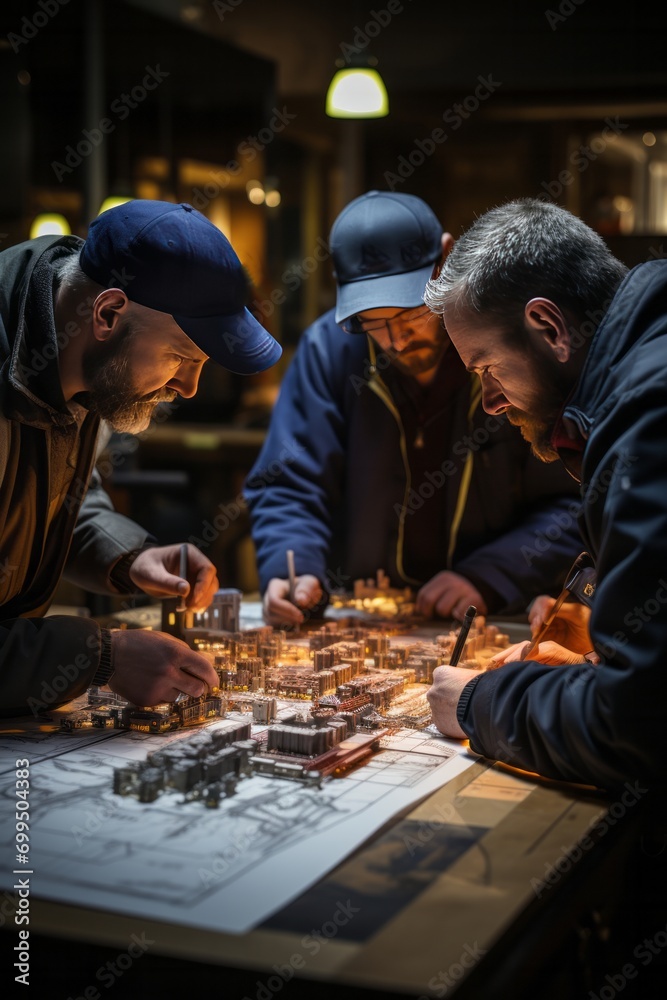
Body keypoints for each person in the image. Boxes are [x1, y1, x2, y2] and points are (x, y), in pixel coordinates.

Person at [244, 191, 581, 627]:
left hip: (493, 616)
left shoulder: (510, 354)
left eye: (409, 313)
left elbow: (573, 499)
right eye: (373, 322)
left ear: (447, 258)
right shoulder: (328, 352)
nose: (397, 340)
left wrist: (491, 575)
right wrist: (293, 566)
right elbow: (288, 484)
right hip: (364, 618)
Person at [0, 199, 282, 716]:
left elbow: (54, 499)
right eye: (180, 356)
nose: (190, 387)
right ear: (107, 313)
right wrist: (102, 659)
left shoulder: (73, 364)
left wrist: (130, 556)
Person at [423, 195, 667, 791]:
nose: (490, 402)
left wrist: (481, 702)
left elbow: (634, 728)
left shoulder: (646, 420)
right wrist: (589, 657)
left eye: (486, 369)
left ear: (550, 327)